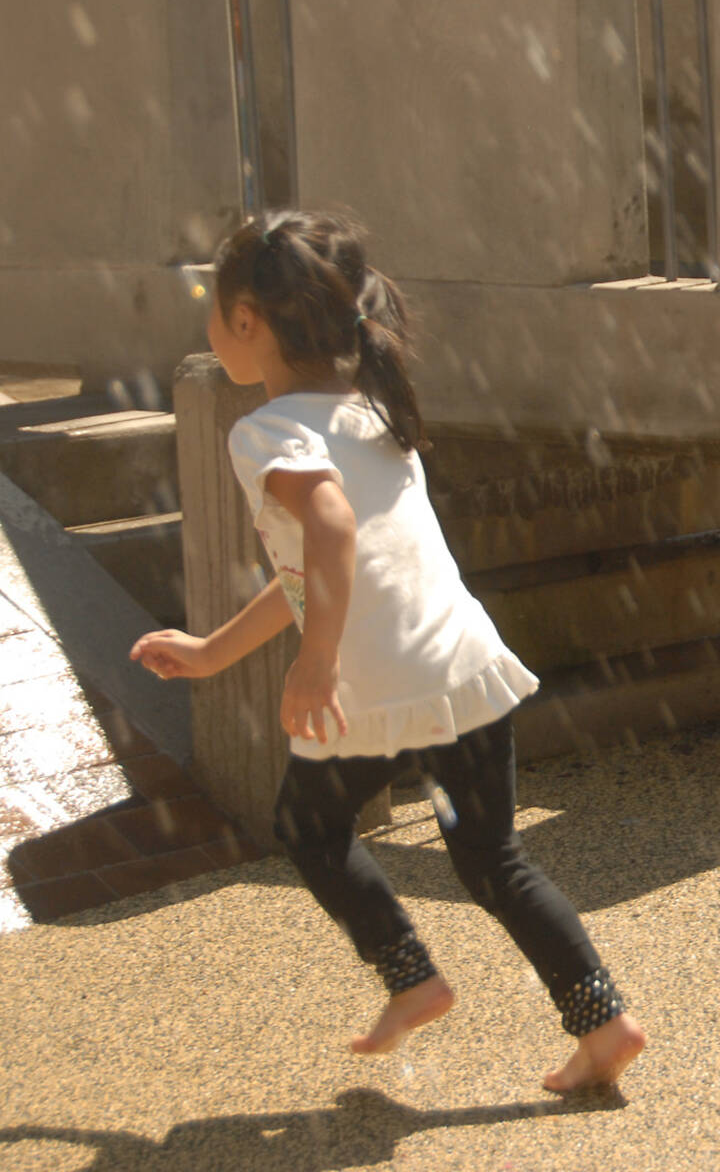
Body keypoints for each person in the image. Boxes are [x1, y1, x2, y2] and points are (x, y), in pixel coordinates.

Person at [130, 209, 646, 1092]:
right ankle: (604, 1023)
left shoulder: (265, 432)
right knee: (494, 862)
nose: (209, 329)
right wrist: (217, 650)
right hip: (460, 670)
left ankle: (412, 978)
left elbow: (327, 529)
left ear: (247, 321)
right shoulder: (371, 409)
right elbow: (313, 567)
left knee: (308, 825)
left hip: (368, 685)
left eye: (211, 310)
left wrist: (317, 661)